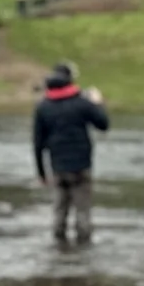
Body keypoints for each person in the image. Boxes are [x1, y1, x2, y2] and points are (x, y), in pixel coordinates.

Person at [32, 62, 109, 245]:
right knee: (83, 211)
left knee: (59, 210)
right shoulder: (82, 103)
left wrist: (41, 173)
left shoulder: (43, 107)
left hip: (57, 166)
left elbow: (37, 143)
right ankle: (83, 254)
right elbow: (104, 124)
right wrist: (97, 103)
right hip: (81, 165)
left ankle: (59, 249)